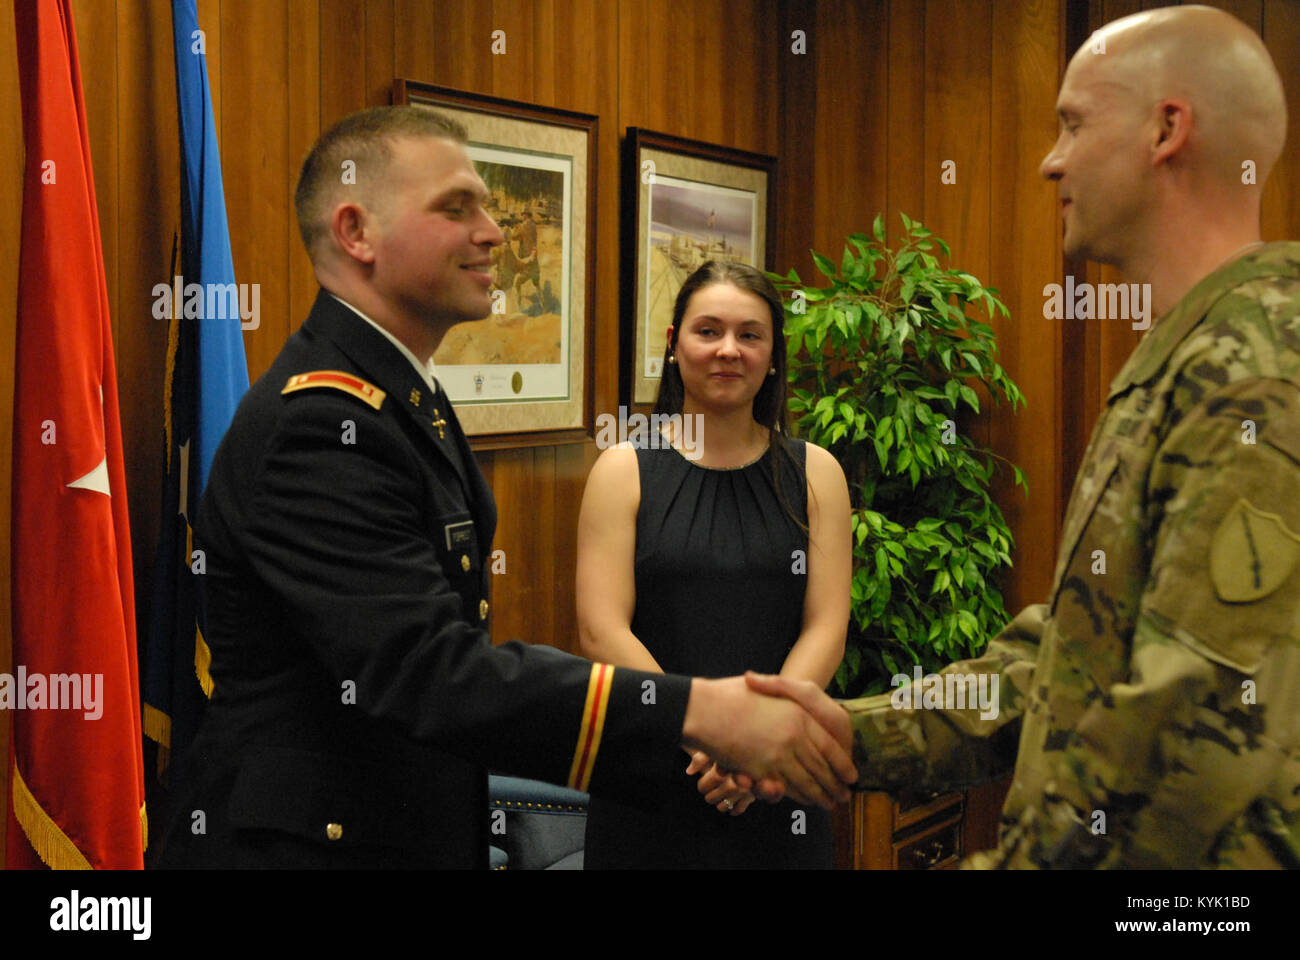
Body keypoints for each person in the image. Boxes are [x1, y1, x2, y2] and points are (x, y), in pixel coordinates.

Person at [152, 107, 857, 869]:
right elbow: (428, 673)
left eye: (487, 207)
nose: (493, 231)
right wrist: (697, 712)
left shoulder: (403, 399)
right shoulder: (321, 427)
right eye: (458, 208)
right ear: (357, 233)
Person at [753, 4, 1300, 869]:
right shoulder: (1192, 353)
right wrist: (846, 734)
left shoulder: (1257, 370)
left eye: (1075, 123)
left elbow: (1197, 733)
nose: (1051, 162)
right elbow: (1070, 653)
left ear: (1168, 129)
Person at [578, 261, 852, 868]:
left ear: (774, 354)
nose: (729, 350)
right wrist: (708, 733)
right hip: (651, 772)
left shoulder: (817, 474)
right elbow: (602, 630)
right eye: (709, 331)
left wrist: (759, 746)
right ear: (674, 345)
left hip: (778, 777)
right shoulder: (623, 469)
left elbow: (827, 627)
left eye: (750, 335)